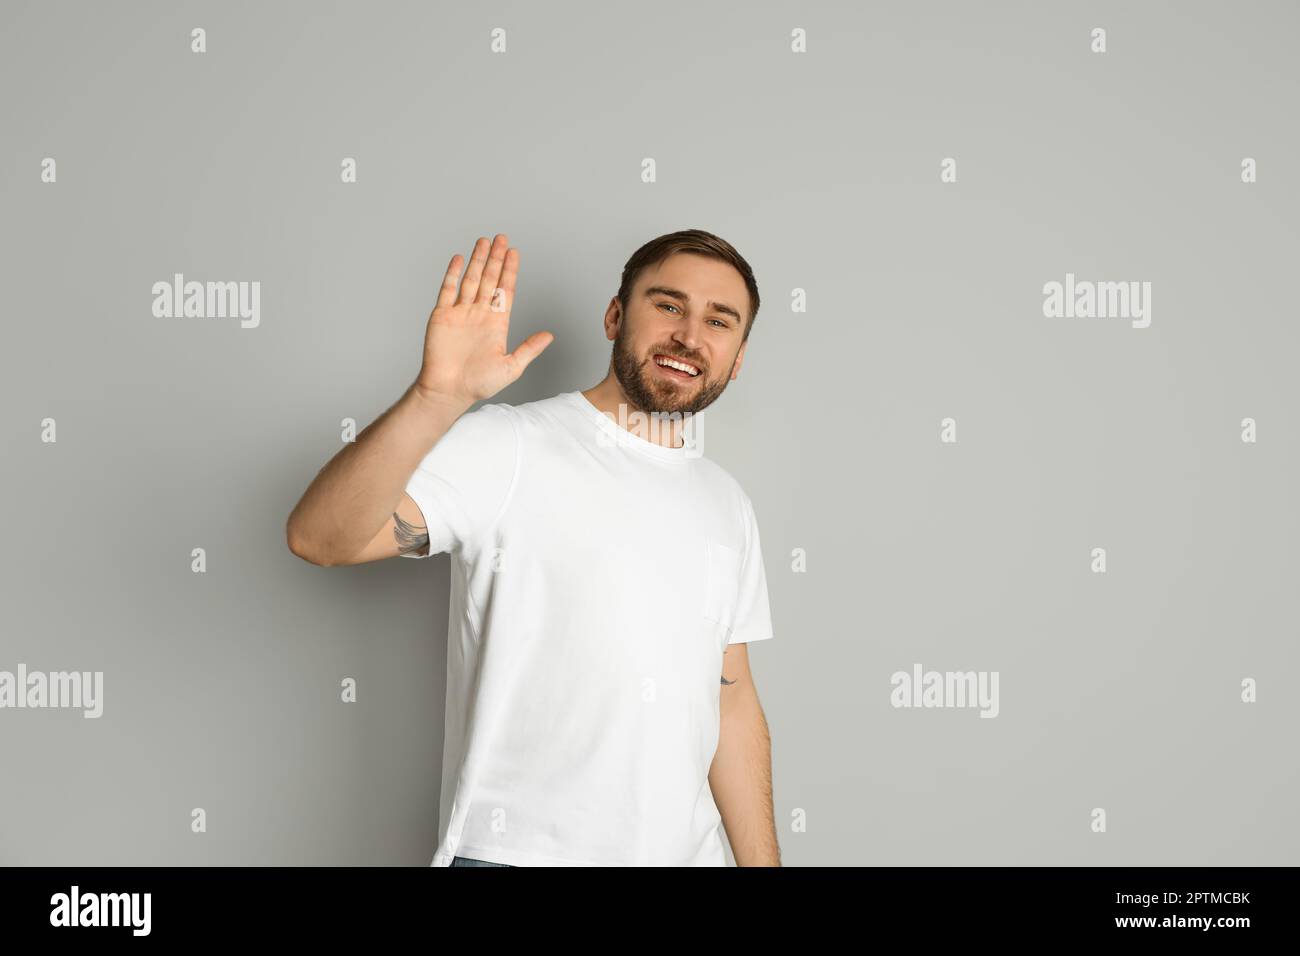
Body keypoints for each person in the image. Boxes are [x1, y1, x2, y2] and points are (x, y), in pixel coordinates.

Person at [286, 229, 779, 866]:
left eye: (719, 320)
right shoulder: (513, 446)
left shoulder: (726, 503)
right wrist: (435, 399)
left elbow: (731, 698)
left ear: (737, 357)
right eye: (668, 305)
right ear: (614, 315)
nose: (690, 335)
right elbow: (318, 538)